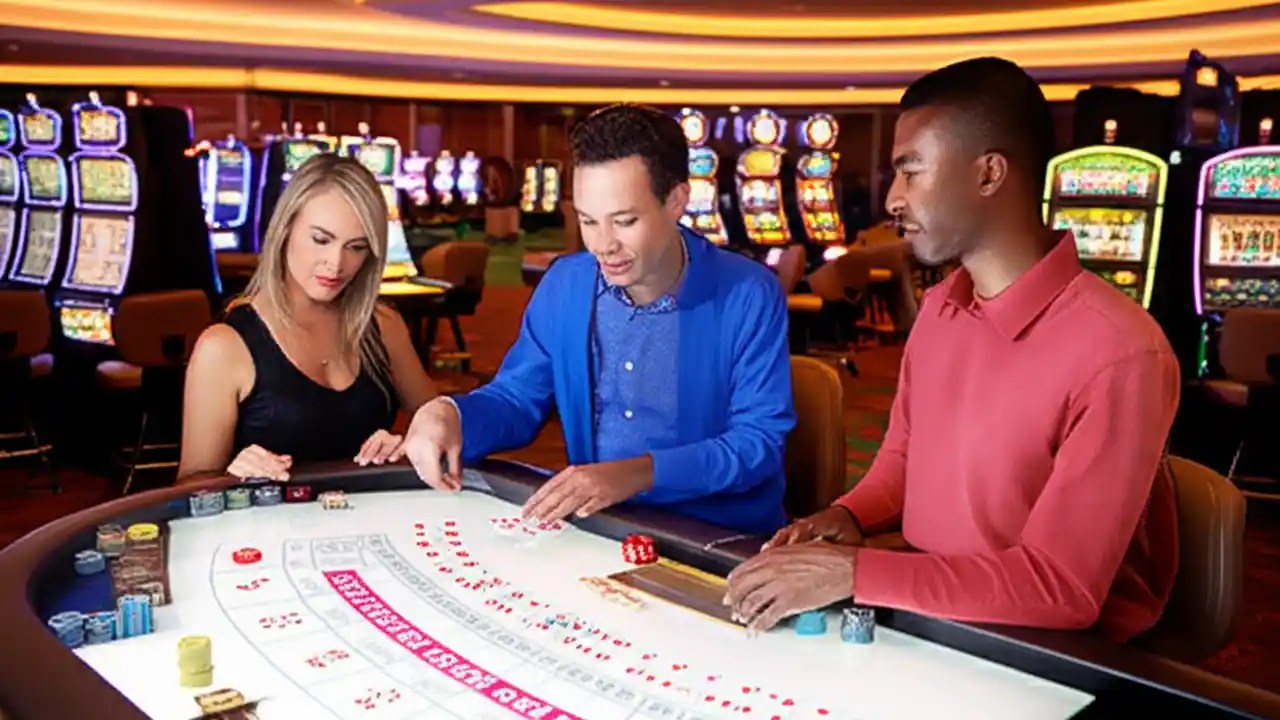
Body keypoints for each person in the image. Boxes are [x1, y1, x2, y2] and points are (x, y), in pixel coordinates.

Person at [725, 57, 1180, 642]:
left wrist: (855, 572)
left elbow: (1062, 590)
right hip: (933, 611)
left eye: (910, 172)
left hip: (1061, 654)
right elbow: (903, 462)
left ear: (989, 174)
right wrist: (848, 517)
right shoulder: (942, 308)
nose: (892, 199)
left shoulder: (1121, 350)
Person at [391, 103, 796, 534]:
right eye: (588, 221)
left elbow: (758, 444)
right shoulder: (566, 284)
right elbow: (516, 399)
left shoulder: (747, 293)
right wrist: (452, 413)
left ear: (678, 200)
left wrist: (637, 473)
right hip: (603, 529)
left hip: (715, 539)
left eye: (624, 221)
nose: (603, 245)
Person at [177, 154, 437, 483]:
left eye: (355, 247)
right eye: (321, 240)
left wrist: (407, 446)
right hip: (267, 529)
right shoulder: (224, 346)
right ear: (285, 229)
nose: (336, 263)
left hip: (371, 521)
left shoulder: (383, 326)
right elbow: (188, 489)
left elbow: (442, 427)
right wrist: (232, 474)